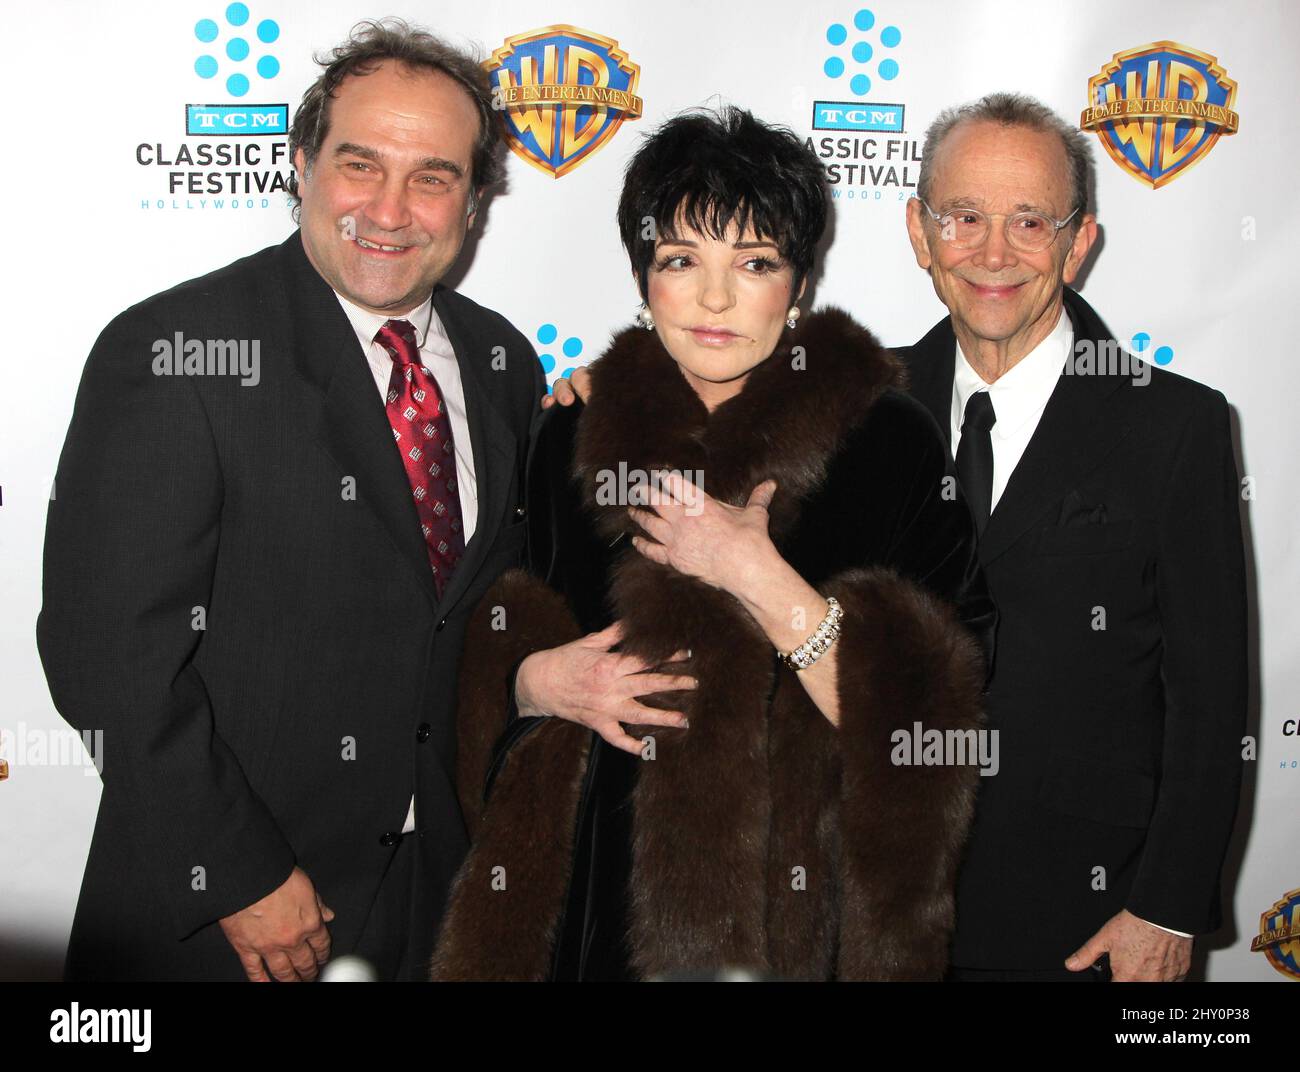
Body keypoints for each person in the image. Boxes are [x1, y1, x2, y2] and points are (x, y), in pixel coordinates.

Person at [429, 106, 996, 981]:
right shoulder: (571, 436)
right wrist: (534, 682)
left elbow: (934, 731)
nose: (717, 298)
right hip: (591, 919)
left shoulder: (889, 442)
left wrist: (759, 577)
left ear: (799, 284)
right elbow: (486, 656)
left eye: (756, 264)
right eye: (681, 261)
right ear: (644, 277)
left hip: (806, 932)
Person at [37, 20, 546, 981]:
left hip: (436, 907)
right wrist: (235, 874)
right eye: (360, 165)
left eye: (434, 176)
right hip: (228, 919)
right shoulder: (178, 352)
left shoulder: (501, 361)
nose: (390, 209)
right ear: (301, 165)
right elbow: (106, 656)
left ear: (474, 202)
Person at [895, 93, 1247, 981]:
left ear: (1078, 241)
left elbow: (1211, 699)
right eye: (964, 217)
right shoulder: (860, 407)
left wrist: (1166, 909)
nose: (993, 253)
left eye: (1030, 221)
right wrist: (598, 394)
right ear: (919, 231)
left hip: (1091, 920)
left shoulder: (1175, 429)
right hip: (879, 908)